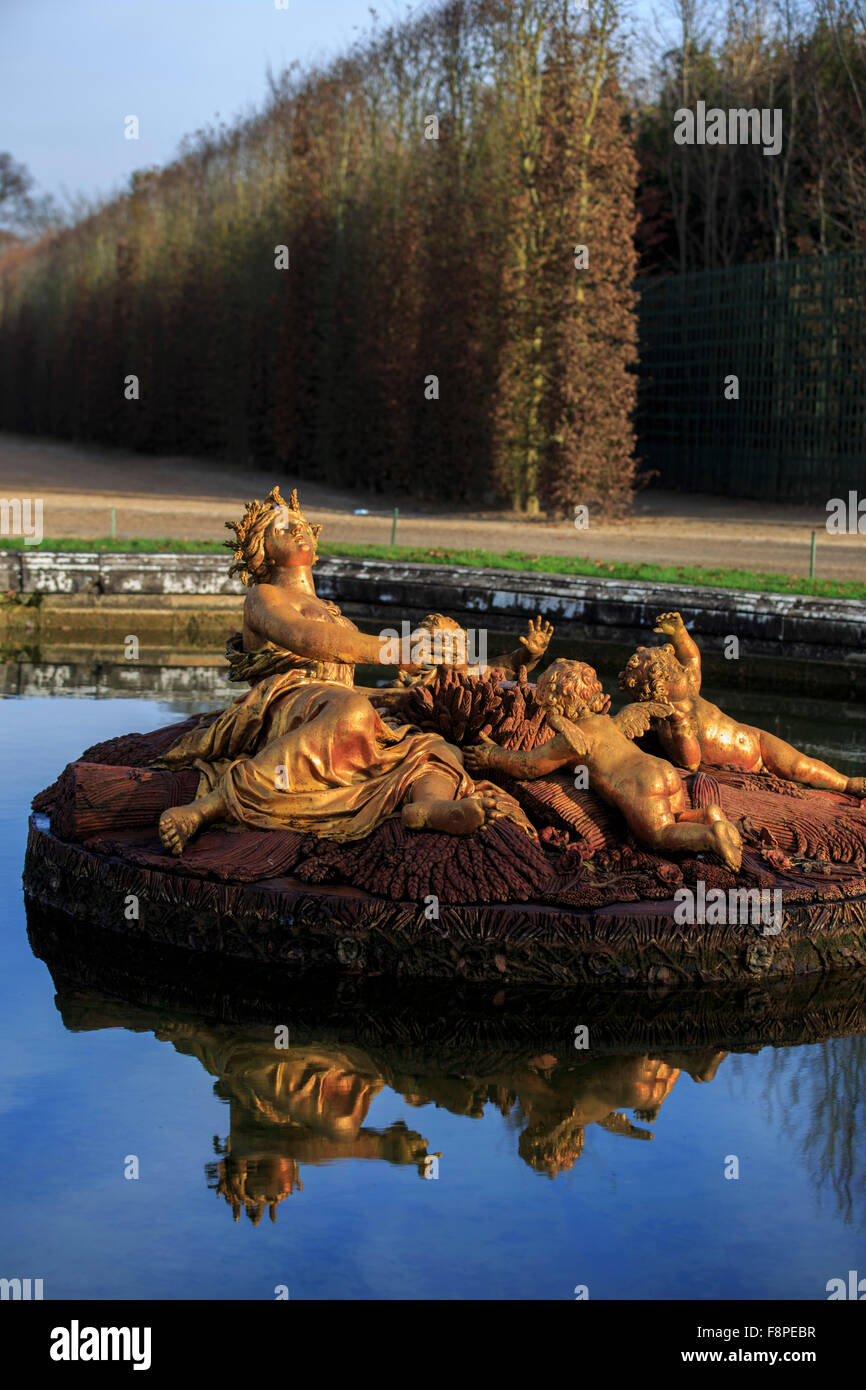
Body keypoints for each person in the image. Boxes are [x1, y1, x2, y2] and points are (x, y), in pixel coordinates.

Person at [156, 486, 522, 853]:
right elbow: (305, 636)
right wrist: (393, 649)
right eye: (283, 529)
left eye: (299, 524)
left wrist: (395, 696)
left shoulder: (333, 611)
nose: (296, 529)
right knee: (351, 712)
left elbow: (338, 682)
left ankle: (429, 806)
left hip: (335, 706)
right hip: (287, 705)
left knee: (433, 747)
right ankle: (207, 808)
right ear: (260, 550)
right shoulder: (265, 597)